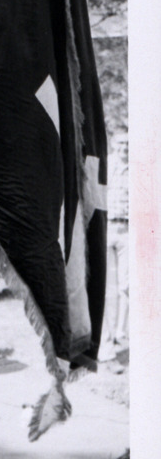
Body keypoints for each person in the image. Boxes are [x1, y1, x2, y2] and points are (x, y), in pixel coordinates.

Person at [100, 131, 129, 362]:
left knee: (126, 285)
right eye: (120, 143)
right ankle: (107, 338)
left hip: (128, 231)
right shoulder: (106, 166)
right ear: (113, 143)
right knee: (108, 288)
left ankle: (120, 331)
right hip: (108, 228)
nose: (124, 148)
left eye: (127, 143)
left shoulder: (136, 168)